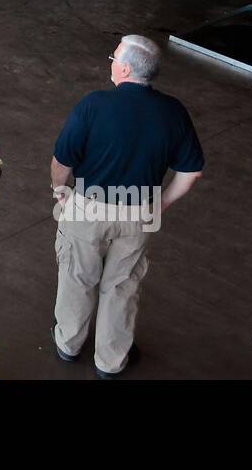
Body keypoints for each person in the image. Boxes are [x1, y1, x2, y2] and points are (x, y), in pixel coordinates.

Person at [50, 34, 204, 378]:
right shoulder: (173, 111)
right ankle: (110, 360)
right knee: (122, 285)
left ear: (123, 68)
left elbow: (62, 159)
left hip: (88, 206)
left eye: (113, 57)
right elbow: (191, 170)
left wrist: (60, 189)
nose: (111, 62)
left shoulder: (93, 104)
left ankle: (69, 343)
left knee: (77, 274)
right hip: (139, 210)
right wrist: (159, 202)